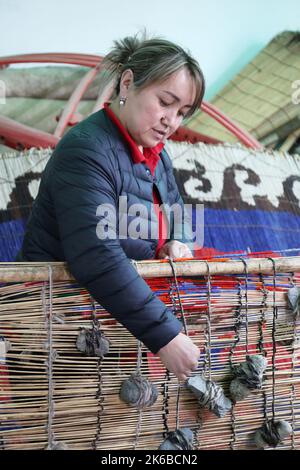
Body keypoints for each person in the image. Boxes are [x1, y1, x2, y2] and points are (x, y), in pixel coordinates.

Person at [17, 33, 205, 381]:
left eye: (181, 112)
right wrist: (166, 336)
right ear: (128, 82)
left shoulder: (156, 155)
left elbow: (179, 215)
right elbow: (95, 253)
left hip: (112, 324)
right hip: (58, 329)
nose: (171, 121)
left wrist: (176, 242)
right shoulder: (86, 150)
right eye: (165, 102)